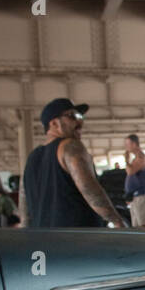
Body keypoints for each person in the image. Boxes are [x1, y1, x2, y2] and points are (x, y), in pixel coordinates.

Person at [23, 97, 127, 229]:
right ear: (54, 123)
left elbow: (24, 208)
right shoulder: (70, 146)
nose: (80, 121)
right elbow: (89, 189)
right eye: (72, 116)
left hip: (43, 240)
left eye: (80, 116)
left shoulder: (31, 158)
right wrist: (117, 221)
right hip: (77, 238)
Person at [123, 133, 145, 229]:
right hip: (135, 196)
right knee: (138, 225)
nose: (126, 147)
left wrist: (126, 160)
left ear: (134, 144)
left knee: (144, 223)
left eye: (128, 144)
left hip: (141, 195)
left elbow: (130, 171)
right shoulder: (136, 159)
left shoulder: (141, 158)